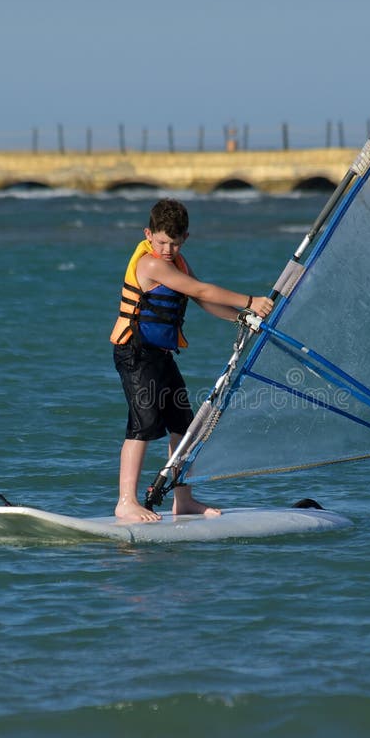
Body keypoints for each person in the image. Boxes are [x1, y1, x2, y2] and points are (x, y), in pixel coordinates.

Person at [110, 197, 274, 523]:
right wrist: (251, 301)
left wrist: (241, 318)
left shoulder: (178, 264)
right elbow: (203, 291)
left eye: (174, 242)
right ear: (148, 234)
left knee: (185, 428)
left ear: (185, 238)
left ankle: (182, 501)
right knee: (142, 426)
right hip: (135, 354)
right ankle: (125, 501)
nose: (167, 249)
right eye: (161, 241)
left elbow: (202, 300)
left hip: (160, 356)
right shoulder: (151, 264)